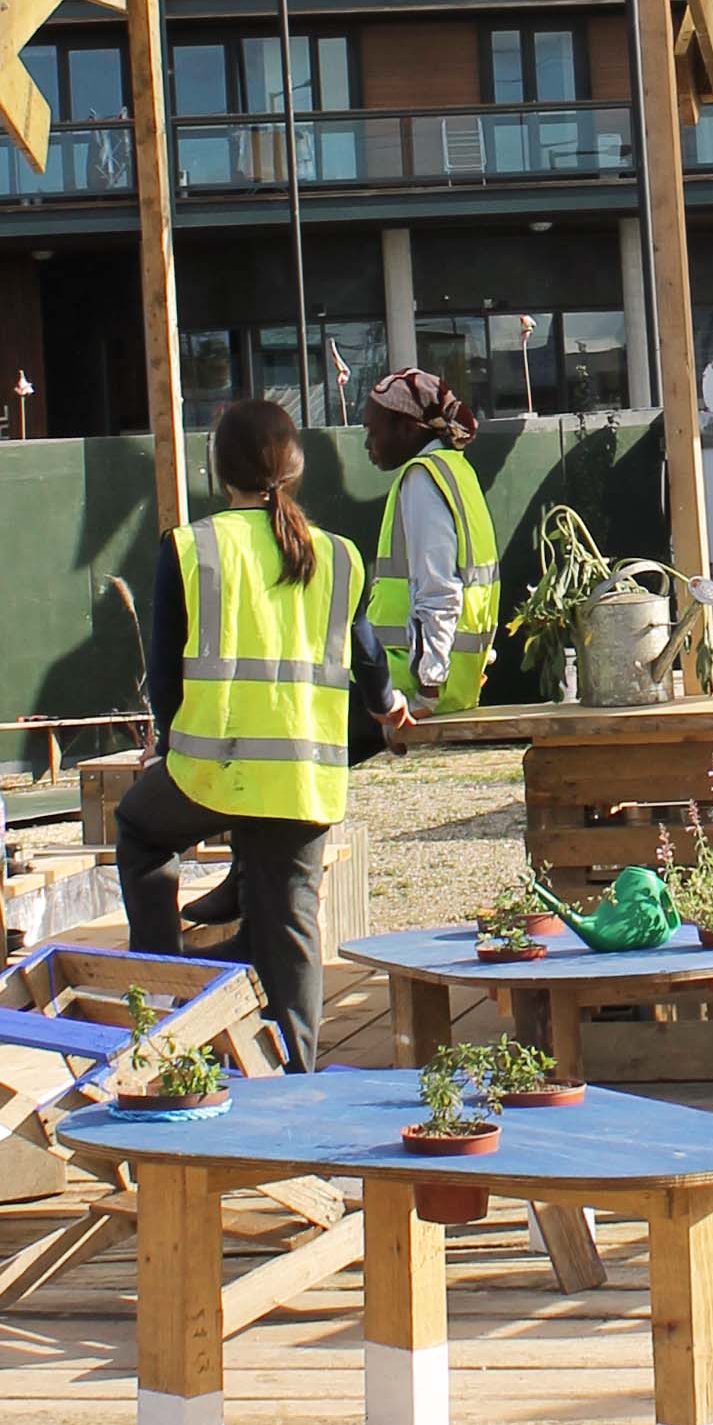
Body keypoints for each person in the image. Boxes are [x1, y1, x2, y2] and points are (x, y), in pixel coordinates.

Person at [115, 395, 410, 1072]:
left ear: (219, 471)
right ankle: (297, 1079)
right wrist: (389, 706)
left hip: (210, 771)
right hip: (303, 779)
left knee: (139, 830)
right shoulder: (338, 556)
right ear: (297, 468)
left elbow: (165, 679)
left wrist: (169, 746)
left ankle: (166, 1003)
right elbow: (368, 659)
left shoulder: (193, 548)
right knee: (293, 926)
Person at [362, 366, 500, 712]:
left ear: (407, 426)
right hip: (451, 681)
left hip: (412, 685)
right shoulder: (456, 469)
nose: (368, 444)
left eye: (373, 431)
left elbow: (438, 589)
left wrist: (428, 690)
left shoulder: (423, 479)